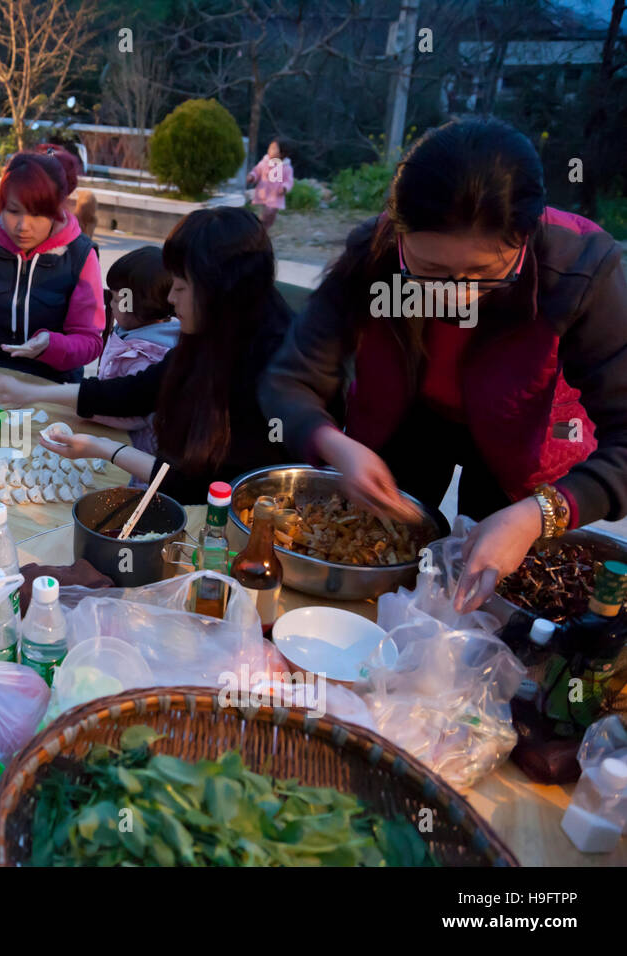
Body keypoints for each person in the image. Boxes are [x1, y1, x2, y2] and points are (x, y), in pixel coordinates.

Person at [258, 117, 627, 614]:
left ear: (525, 239)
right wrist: (334, 444)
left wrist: (540, 513)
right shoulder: (374, 253)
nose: (456, 296)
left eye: (483, 274)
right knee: (386, 549)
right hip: (405, 419)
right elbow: (290, 378)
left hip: (518, 431)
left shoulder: (578, 268)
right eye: (430, 272)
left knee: (495, 576)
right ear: (400, 232)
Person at [0, 207, 293, 504]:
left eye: (182, 288)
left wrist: (105, 449)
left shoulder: (272, 369)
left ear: (220, 291)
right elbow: (138, 391)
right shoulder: (217, 330)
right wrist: (32, 392)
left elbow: (206, 489)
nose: (171, 300)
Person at [0, 148, 105, 383]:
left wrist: (51, 345)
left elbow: (89, 340)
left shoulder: (80, 255)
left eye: (37, 214)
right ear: (1, 204)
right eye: (13, 211)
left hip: (51, 386)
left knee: (32, 422)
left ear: (57, 210)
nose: (23, 226)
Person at [86, 246, 180, 480]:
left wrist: (88, 408)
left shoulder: (150, 355)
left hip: (137, 455)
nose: (111, 304)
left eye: (117, 299)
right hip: (112, 436)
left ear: (137, 307)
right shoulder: (129, 329)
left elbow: (133, 415)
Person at [246, 138, 294, 230]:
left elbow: (289, 181)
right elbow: (257, 171)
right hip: (262, 194)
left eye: (273, 148)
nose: (270, 150)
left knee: (270, 216)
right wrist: (252, 176)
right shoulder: (264, 162)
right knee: (261, 215)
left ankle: (263, 230)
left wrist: (285, 187)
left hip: (275, 197)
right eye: (270, 148)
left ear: (282, 153)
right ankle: (258, 230)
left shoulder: (285, 167)